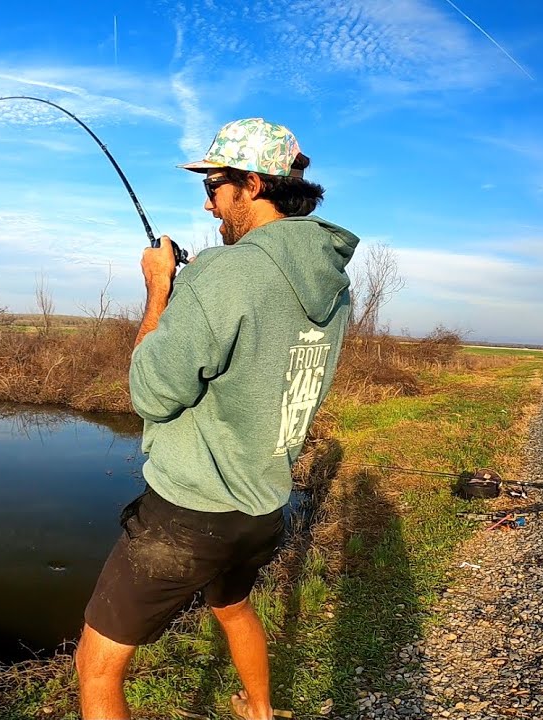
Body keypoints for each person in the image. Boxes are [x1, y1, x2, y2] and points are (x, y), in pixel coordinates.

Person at [75, 118, 360, 720]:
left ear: (251, 185)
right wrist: (202, 282)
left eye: (214, 187)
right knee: (232, 608)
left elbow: (151, 393)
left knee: (95, 667)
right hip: (262, 506)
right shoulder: (332, 284)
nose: (208, 205)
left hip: (188, 515)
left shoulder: (225, 273)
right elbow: (259, 330)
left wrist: (161, 290)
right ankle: (259, 711)